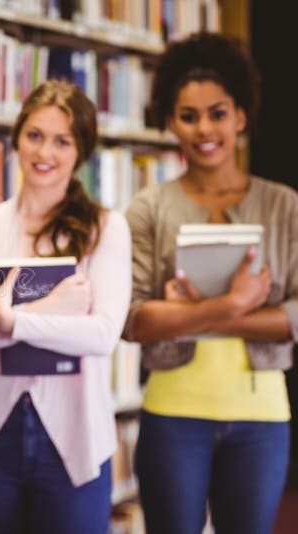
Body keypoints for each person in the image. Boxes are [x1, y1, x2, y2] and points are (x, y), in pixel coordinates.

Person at [124, 32, 298, 534]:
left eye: (218, 113)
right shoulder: (148, 209)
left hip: (262, 419)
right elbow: (135, 321)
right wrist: (236, 307)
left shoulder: (282, 205)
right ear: (170, 121)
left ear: (240, 117)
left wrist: (190, 314)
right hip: (173, 414)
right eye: (188, 115)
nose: (204, 128)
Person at [0, 79, 132, 533]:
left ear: (81, 152)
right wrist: (45, 312)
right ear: (15, 139)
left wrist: (5, 317)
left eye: (61, 141)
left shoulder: (105, 229)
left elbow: (103, 334)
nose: (44, 152)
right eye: (34, 135)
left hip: (74, 442)